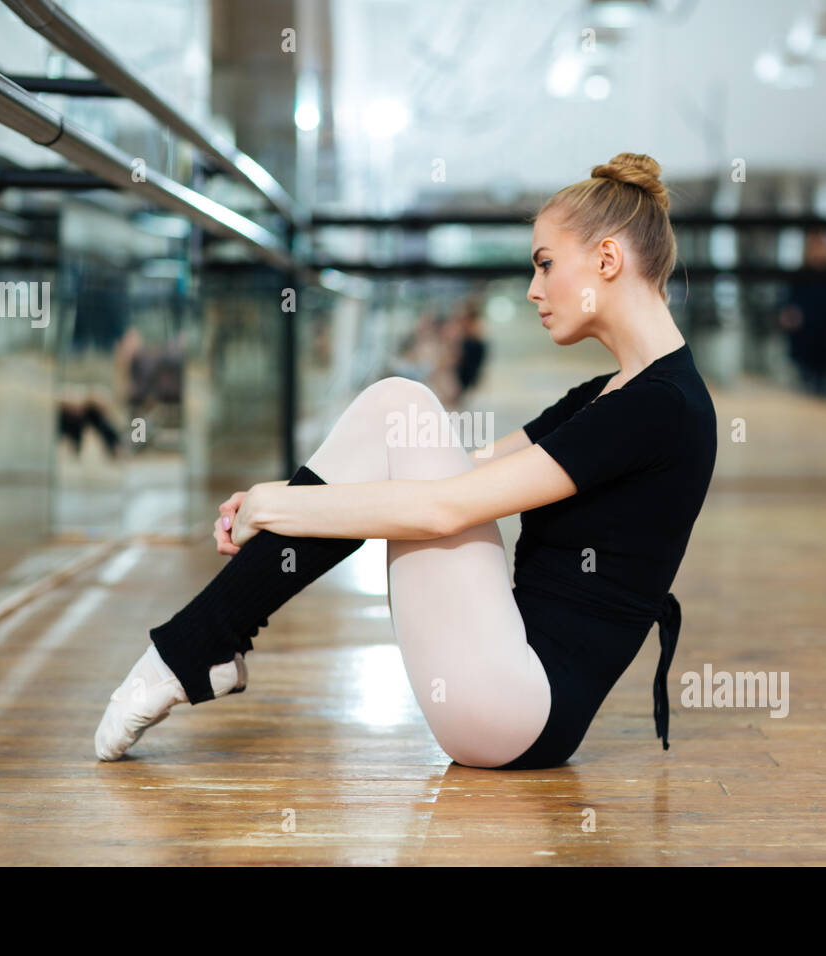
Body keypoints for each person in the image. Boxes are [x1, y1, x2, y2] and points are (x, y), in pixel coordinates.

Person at [94, 151, 718, 770]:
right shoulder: (614, 394)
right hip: (502, 684)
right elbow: (447, 466)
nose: (533, 290)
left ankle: (194, 645)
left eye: (546, 264)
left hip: (517, 706)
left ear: (606, 260)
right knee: (400, 410)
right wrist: (283, 494)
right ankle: (202, 643)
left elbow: (445, 507)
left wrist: (281, 504)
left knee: (403, 404)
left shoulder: (660, 408)